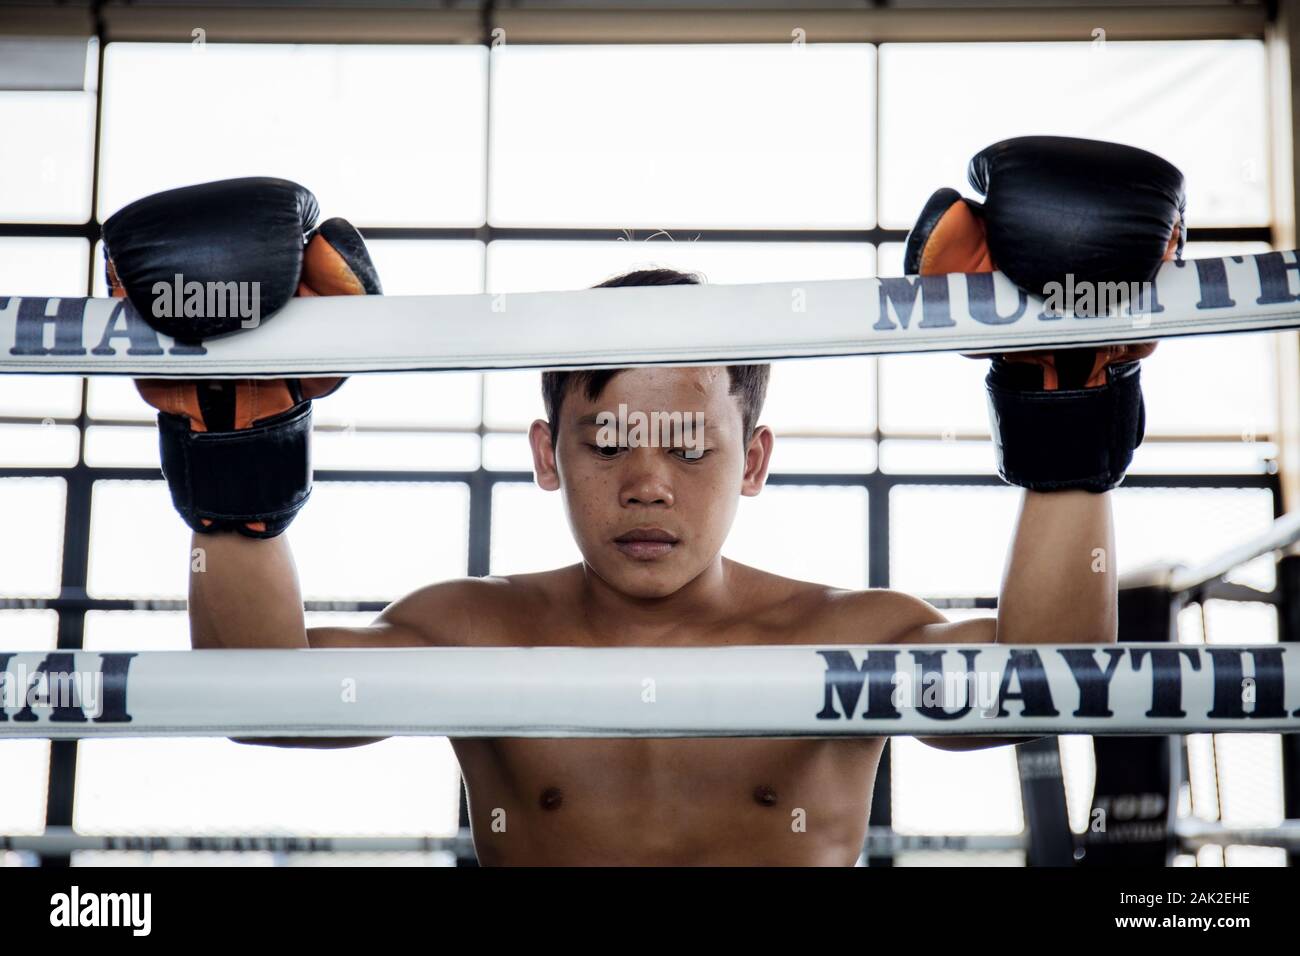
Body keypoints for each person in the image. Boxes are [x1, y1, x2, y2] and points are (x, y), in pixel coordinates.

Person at [101, 136, 1185, 866]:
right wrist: (233, 445)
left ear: (753, 459)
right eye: (607, 438)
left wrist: (1066, 420)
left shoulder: (843, 631)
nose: (647, 479)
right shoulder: (478, 630)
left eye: (688, 444)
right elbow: (259, 690)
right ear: (547, 452)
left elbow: (1046, 684)